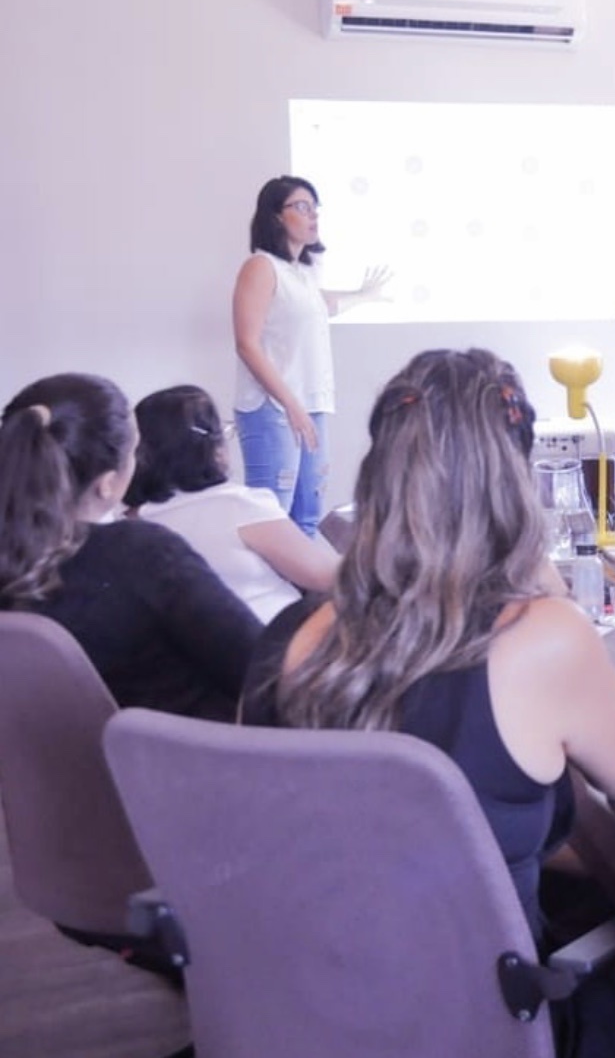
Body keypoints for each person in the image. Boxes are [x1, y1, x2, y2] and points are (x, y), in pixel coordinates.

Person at [241, 349, 615, 1058]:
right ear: (514, 482)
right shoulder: (542, 636)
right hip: (483, 1023)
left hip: (311, 1009)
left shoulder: (290, 638)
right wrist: (545, 589)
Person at [0, 373, 260, 720]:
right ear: (108, 484)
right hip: (176, 768)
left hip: (39, 772)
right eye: (135, 451)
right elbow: (261, 674)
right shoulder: (142, 555)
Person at [232, 175, 390, 539]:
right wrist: (291, 403)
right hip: (273, 409)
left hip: (310, 406)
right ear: (275, 216)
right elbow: (247, 343)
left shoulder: (301, 273)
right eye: (302, 207)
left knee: (307, 517)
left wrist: (364, 294)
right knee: (274, 519)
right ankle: (271, 596)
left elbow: (323, 305)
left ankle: (301, 596)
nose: (313, 215)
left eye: (315, 207)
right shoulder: (260, 267)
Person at [124, 385, 340, 623]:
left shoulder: (129, 524)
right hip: (271, 645)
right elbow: (328, 576)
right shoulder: (240, 505)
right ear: (212, 447)